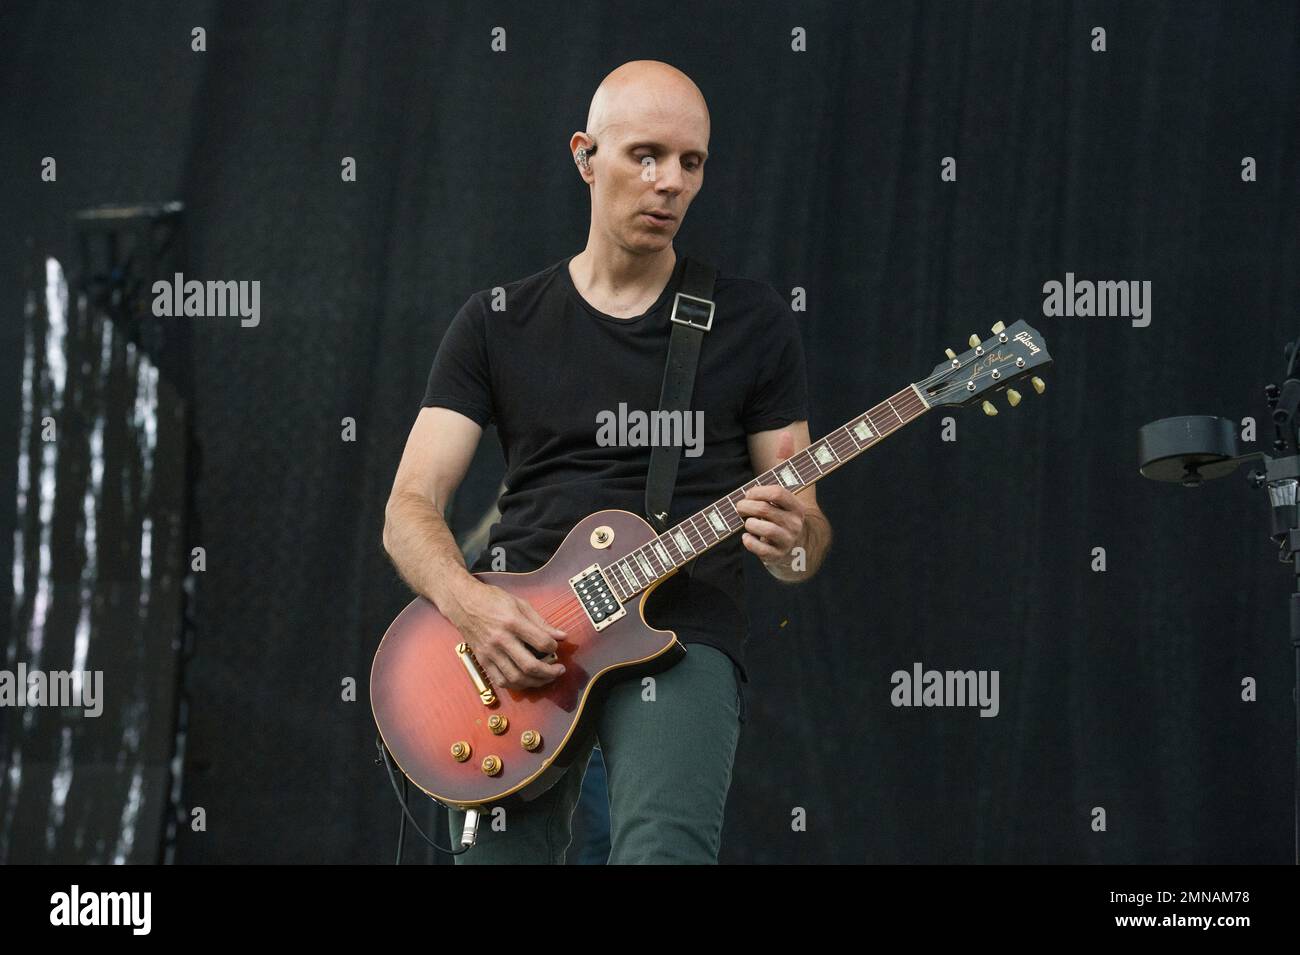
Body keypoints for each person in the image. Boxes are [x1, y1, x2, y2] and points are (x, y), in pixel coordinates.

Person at [382, 60, 832, 864]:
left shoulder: (750, 321)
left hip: (680, 628)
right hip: (519, 635)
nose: (671, 184)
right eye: (646, 155)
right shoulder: (497, 321)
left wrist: (796, 541)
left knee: (662, 853)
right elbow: (410, 503)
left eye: (691, 163)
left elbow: (801, 543)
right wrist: (471, 607)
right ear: (585, 157)